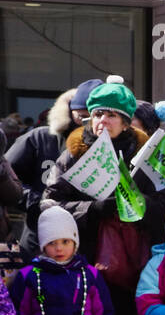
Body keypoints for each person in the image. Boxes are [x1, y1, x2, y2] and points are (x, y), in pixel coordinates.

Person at [41, 80, 165, 315]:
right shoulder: (75, 152)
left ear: (127, 121)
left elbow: (164, 205)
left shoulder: (146, 156)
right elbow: (50, 204)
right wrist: (93, 209)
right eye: (97, 114)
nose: (102, 121)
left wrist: (136, 206)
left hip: (140, 266)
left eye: (111, 114)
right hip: (88, 268)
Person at [5, 80, 96, 260]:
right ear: (70, 112)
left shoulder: (109, 148)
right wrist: (36, 203)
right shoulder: (40, 138)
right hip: (37, 237)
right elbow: (6, 177)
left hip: (87, 243)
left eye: (92, 117)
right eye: (82, 116)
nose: (86, 124)